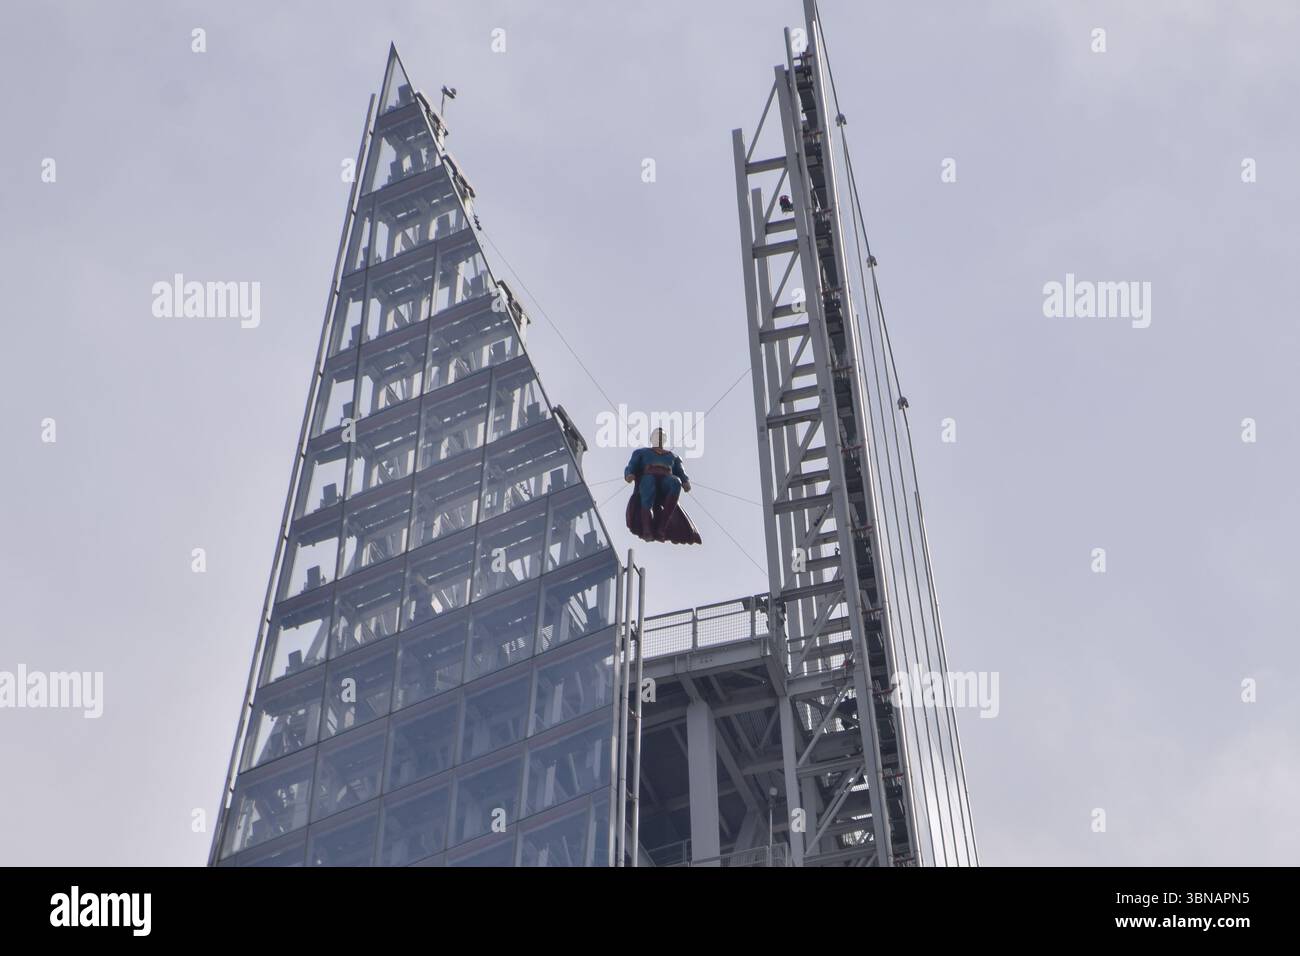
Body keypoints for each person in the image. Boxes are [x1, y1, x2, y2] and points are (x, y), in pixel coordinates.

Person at [623, 428, 702, 545]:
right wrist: (629, 474)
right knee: (648, 483)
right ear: (651, 439)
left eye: (661, 437)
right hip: (648, 476)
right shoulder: (641, 452)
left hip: (666, 479)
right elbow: (631, 465)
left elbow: (680, 472)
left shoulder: (673, 457)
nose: (659, 439)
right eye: (656, 436)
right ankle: (647, 528)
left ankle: (662, 526)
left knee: (676, 482)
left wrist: (685, 481)